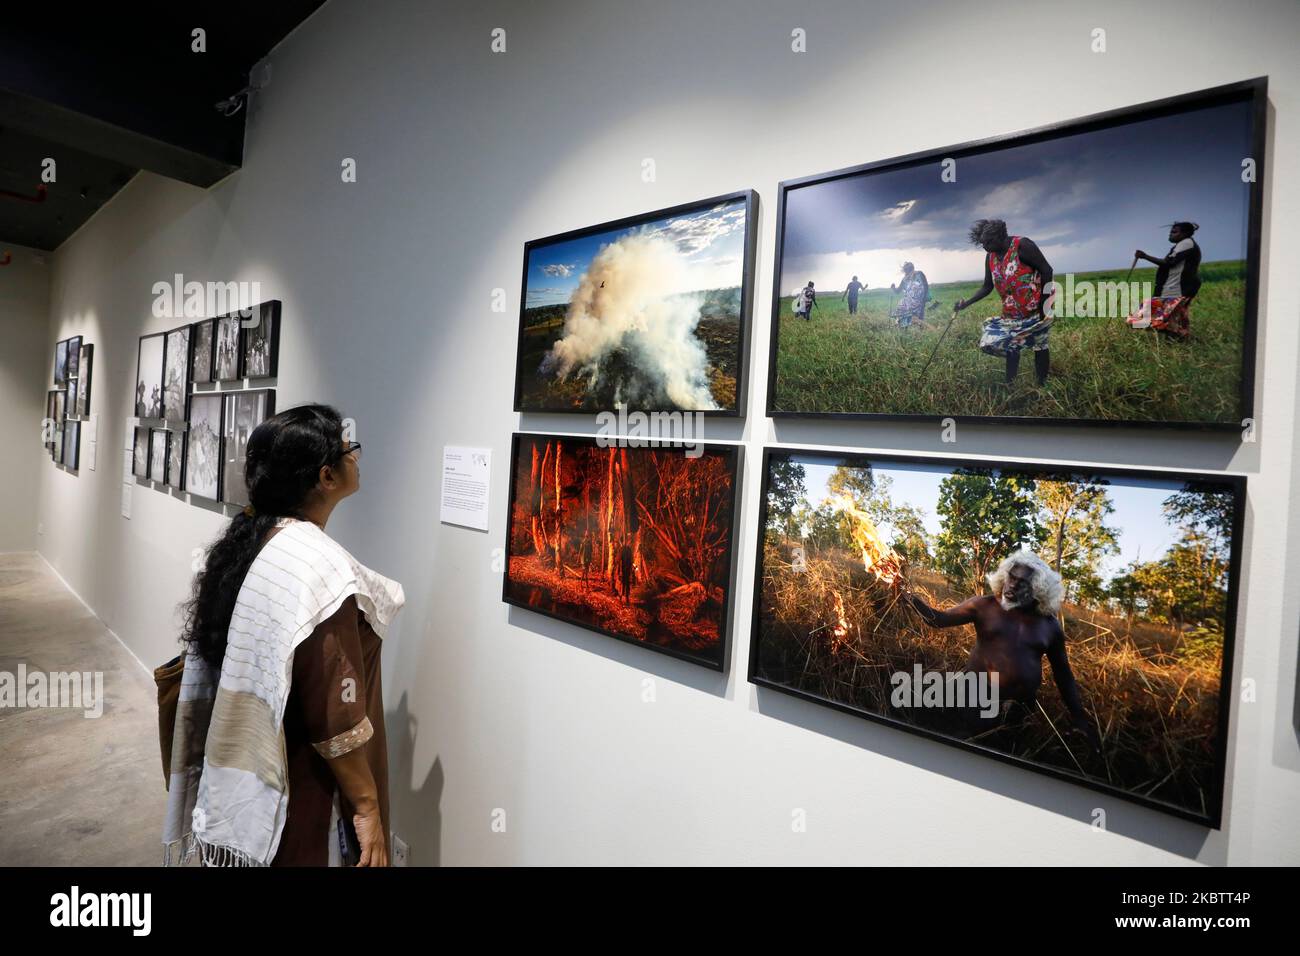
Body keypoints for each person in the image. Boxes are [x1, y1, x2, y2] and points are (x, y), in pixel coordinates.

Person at [162, 405, 405, 867]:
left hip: (254, 763)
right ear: (326, 477)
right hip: (297, 781)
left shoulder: (256, 539)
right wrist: (368, 806)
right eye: (349, 449)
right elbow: (334, 710)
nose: (357, 455)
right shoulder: (316, 566)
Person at [900, 550, 1099, 749]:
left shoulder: (1049, 626)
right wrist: (909, 597)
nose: (1012, 585)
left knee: (1006, 752)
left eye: (1022, 582)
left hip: (1020, 708)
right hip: (975, 698)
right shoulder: (984, 606)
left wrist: (1079, 717)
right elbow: (939, 620)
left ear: (1038, 590)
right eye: (1011, 577)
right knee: (967, 747)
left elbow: (1063, 674)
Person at [955, 219, 1055, 386]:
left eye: (988, 242)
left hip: (1037, 305)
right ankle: (1010, 383)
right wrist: (966, 303)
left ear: (1000, 237)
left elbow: (1047, 270)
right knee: (1010, 344)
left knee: (1040, 342)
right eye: (983, 243)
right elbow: (987, 286)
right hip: (1011, 309)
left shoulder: (1022, 245)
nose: (985, 247)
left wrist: (1044, 304)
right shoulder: (991, 256)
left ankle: (1042, 385)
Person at [1125, 221, 1201, 339]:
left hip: (1179, 288)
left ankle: (1179, 341)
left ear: (1185, 233)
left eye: (1175, 232)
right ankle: (1177, 342)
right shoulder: (1183, 244)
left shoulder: (1186, 243)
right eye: (1171, 232)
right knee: (1172, 318)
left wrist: (1145, 256)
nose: (1170, 234)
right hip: (1176, 286)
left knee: (1153, 316)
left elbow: (1168, 263)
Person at [889, 262, 929, 328]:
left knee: (909, 313)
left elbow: (925, 286)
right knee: (913, 315)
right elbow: (926, 286)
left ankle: (906, 328)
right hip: (914, 302)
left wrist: (893, 288)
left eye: (906, 271)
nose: (906, 273)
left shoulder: (919, 274)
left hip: (917, 301)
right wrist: (893, 288)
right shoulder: (907, 278)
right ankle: (905, 327)